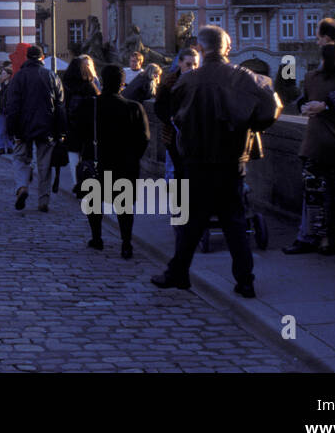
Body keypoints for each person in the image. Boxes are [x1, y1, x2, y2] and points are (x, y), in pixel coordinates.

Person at [152, 26, 282, 298]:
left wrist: (165, 90)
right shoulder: (246, 77)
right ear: (228, 47)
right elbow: (272, 107)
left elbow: (165, 113)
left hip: (196, 160)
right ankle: (245, 280)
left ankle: (178, 273)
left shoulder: (189, 81)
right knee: (234, 221)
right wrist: (250, 126)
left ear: (200, 49)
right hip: (231, 159)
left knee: (192, 222)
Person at [284, 42, 335, 255]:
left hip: (316, 144)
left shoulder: (311, 78)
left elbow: (303, 103)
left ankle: (321, 239)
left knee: (315, 195)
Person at [82, 65, 151, 258]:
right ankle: (126, 243)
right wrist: (134, 156)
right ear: (122, 84)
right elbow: (145, 138)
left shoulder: (91, 105)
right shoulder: (134, 107)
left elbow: (80, 132)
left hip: (97, 162)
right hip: (125, 164)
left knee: (94, 203)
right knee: (124, 206)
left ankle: (97, 238)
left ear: (102, 81)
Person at [6, 45, 67, 212]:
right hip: (47, 126)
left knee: (20, 159)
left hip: (22, 126)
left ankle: (22, 187)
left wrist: (11, 129)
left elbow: (12, 106)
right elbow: (61, 106)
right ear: (42, 58)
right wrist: (61, 131)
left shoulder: (18, 77)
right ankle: (43, 200)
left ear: (27, 58)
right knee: (44, 165)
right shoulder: (51, 76)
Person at [158, 47, 201, 180]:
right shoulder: (169, 82)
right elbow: (159, 106)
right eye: (189, 64)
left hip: (195, 136)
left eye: (195, 64)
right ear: (180, 63)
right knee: (175, 172)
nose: (192, 68)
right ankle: (176, 199)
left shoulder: (201, 82)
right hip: (173, 135)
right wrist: (169, 118)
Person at [61, 55, 101, 193]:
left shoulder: (66, 84)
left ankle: (76, 181)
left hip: (71, 126)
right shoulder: (89, 85)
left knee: (73, 155)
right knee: (88, 156)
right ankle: (87, 182)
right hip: (88, 126)